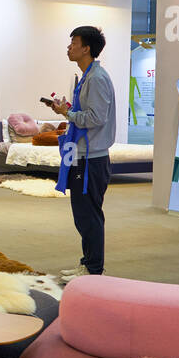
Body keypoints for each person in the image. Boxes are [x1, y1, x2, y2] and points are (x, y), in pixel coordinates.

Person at [43, 25, 116, 279]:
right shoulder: (87, 76)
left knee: (89, 216)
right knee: (83, 215)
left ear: (87, 48)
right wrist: (68, 110)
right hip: (82, 154)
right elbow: (86, 113)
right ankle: (88, 263)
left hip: (91, 158)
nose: (69, 47)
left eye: (74, 42)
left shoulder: (96, 78)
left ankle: (93, 269)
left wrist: (67, 113)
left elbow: (97, 117)